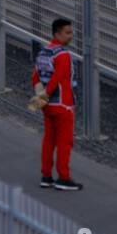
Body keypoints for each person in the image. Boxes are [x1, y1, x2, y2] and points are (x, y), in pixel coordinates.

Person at [31, 17, 81, 191]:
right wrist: (47, 94)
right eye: (67, 33)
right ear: (57, 34)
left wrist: (40, 98)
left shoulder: (43, 52)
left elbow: (35, 77)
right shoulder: (63, 55)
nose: (71, 36)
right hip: (63, 106)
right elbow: (57, 78)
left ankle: (46, 176)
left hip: (47, 107)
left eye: (71, 32)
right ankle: (64, 178)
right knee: (64, 143)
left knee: (48, 140)